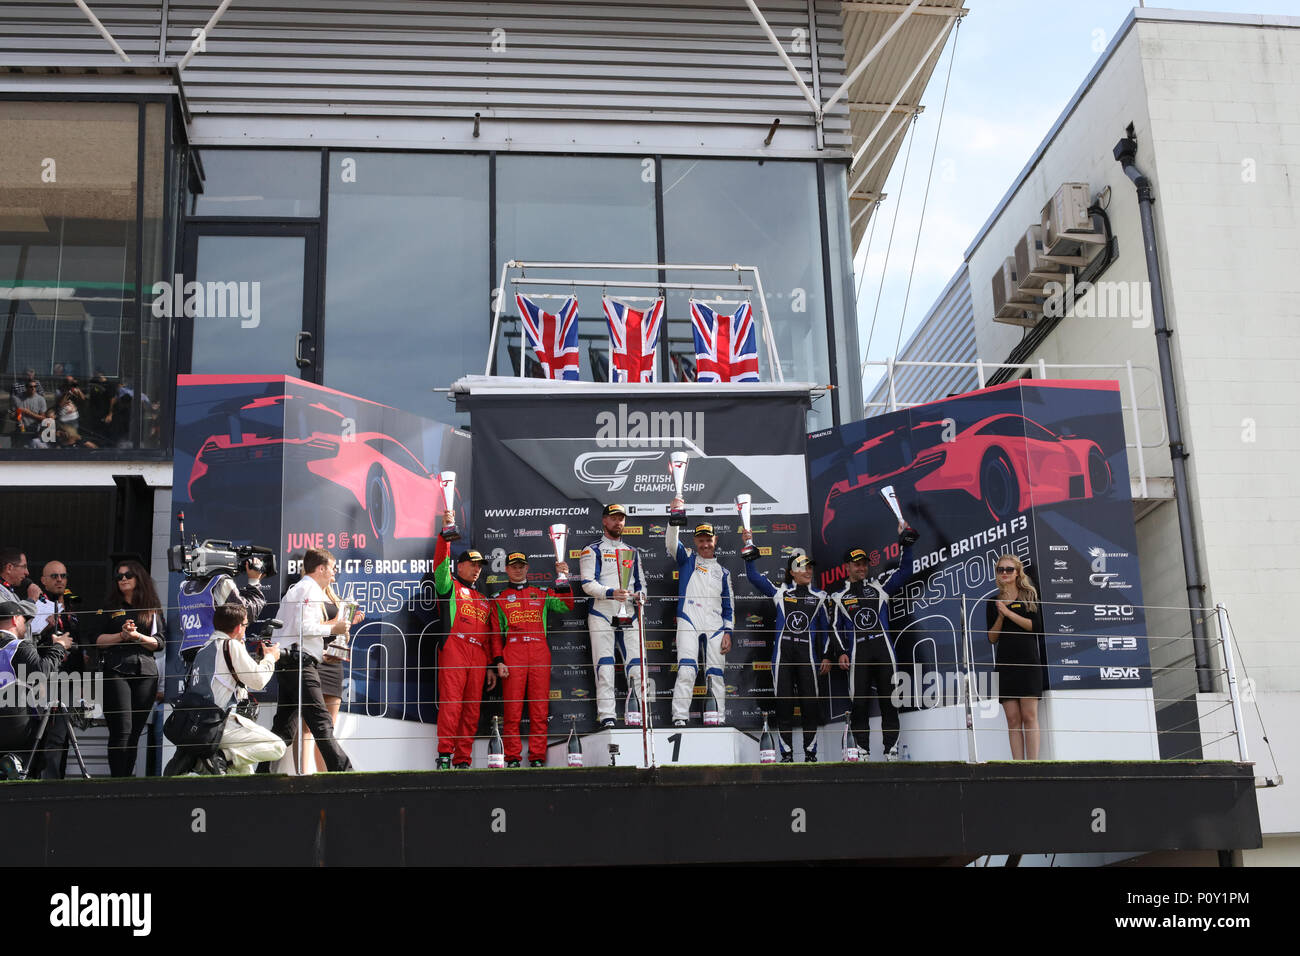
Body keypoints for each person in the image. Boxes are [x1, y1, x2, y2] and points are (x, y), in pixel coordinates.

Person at [824, 525, 918, 761]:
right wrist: (841, 652)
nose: (862, 567)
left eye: (864, 563)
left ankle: (891, 750)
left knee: (890, 702)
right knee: (860, 704)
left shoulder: (879, 588)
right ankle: (862, 751)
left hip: (883, 650)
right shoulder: (838, 597)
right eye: (856, 564)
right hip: (858, 654)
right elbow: (833, 627)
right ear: (847, 567)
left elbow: (906, 569)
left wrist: (905, 543)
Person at [741, 534, 832, 762]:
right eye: (802, 567)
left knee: (810, 707)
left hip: (808, 658)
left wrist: (828, 656)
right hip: (782, 658)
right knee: (784, 707)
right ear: (792, 571)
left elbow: (827, 631)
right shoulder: (781, 594)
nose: (808, 571)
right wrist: (748, 546)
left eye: (810, 567)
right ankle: (787, 756)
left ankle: (811, 755)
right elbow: (752, 576)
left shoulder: (820, 597)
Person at [264, 548, 354, 773]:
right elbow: (304, 628)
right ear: (321, 568)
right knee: (321, 722)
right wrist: (336, 627)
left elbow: (290, 629)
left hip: (291, 662)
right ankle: (346, 773)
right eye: (333, 568)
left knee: (284, 729)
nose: (335, 573)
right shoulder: (308, 590)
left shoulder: (297, 589)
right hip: (299, 665)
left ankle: (261, 773)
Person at [169, 602, 285, 775]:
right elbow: (259, 680)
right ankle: (220, 758)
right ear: (239, 627)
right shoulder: (230, 646)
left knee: (245, 778)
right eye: (245, 625)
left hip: (201, 726)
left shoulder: (204, 649)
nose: (245, 629)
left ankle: (212, 760)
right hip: (220, 723)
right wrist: (270, 658)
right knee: (277, 746)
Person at [491, 551, 572, 767]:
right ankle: (512, 758)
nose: (517, 569)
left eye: (521, 566)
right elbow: (496, 635)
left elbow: (566, 605)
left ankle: (537, 757)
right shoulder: (499, 599)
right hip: (513, 653)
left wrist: (563, 579)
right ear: (506, 569)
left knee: (539, 710)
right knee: (512, 710)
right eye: (513, 566)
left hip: (539, 652)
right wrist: (499, 660)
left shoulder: (542, 593)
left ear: (527, 568)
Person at [433, 519, 497, 769]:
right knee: (451, 706)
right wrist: (444, 538)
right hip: (455, 648)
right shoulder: (449, 587)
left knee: (471, 711)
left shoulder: (483, 598)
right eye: (472, 565)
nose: (477, 569)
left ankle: (463, 760)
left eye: (479, 566)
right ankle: (445, 756)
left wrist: (492, 664)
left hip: (479, 655)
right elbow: (439, 566)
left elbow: (491, 635)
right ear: (459, 566)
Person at [92, 559, 164, 776]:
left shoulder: (152, 607)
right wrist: (122, 635)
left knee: (134, 733)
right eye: (119, 576)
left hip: (146, 671)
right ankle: (117, 782)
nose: (122, 579)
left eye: (128, 575)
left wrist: (136, 635)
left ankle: (126, 781)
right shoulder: (108, 607)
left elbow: (159, 642)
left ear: (138, 578)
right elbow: (96, 639)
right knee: (121, 730)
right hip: (116, 669)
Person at [579, 504, 648, 729]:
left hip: (629, 613)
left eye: (621, 518)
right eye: (614, 518)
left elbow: (642, 585)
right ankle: (608, 716)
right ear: (604, 521)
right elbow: (587, 584)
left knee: (637, 666)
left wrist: (640, 596)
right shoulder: (592, 549)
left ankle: (639, 713)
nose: (618, 522)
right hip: (602, 613)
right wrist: (611, 593)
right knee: (605, 666)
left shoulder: (633, 552)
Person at [665, 504, 733, 727]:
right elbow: (671, 543)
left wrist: (728, 631)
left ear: (715, 540)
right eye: (701, 540)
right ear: (695, 541)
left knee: (715, 674)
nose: (705, 544)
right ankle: (680, 718)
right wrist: (674, 518)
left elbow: (729, 606)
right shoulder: (687, 559)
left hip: (715, 625)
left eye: (708, 540)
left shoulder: (723, 573)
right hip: (689, 620)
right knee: (686, 668)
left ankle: (717, 719)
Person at [987, 553, 1045, 760]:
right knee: (1013, 720)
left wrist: (1010, 613)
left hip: (1028, 662)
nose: (1004, 573)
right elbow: (992, 638)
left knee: (1029, 716)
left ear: (1017, 572)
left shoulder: (1029, 595)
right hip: (1005, 665)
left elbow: (1035, 627)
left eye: (1008, 569)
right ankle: (1018, 766)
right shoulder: (993, 602)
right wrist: (1001, 616)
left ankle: (1034, 765)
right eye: (1000, 569)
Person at [0, 600, 71, 768]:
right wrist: (59, 647)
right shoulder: (18, 645)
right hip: (16, 726)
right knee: (27, 770)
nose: (26, 627)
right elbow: (40, 672)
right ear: (15, 619)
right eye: (25, 621)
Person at [31, 560, 79, 778]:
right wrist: (47, 627)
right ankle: (39, 778)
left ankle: (56, 781)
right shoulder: (35, 605)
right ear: (43, 580)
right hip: (44, 675)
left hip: (71, 677)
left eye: (63, 575)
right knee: (43, 732)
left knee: (63, 734)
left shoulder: (72, 604)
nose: (59, 579)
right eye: (54, 576)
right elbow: (27, 641)